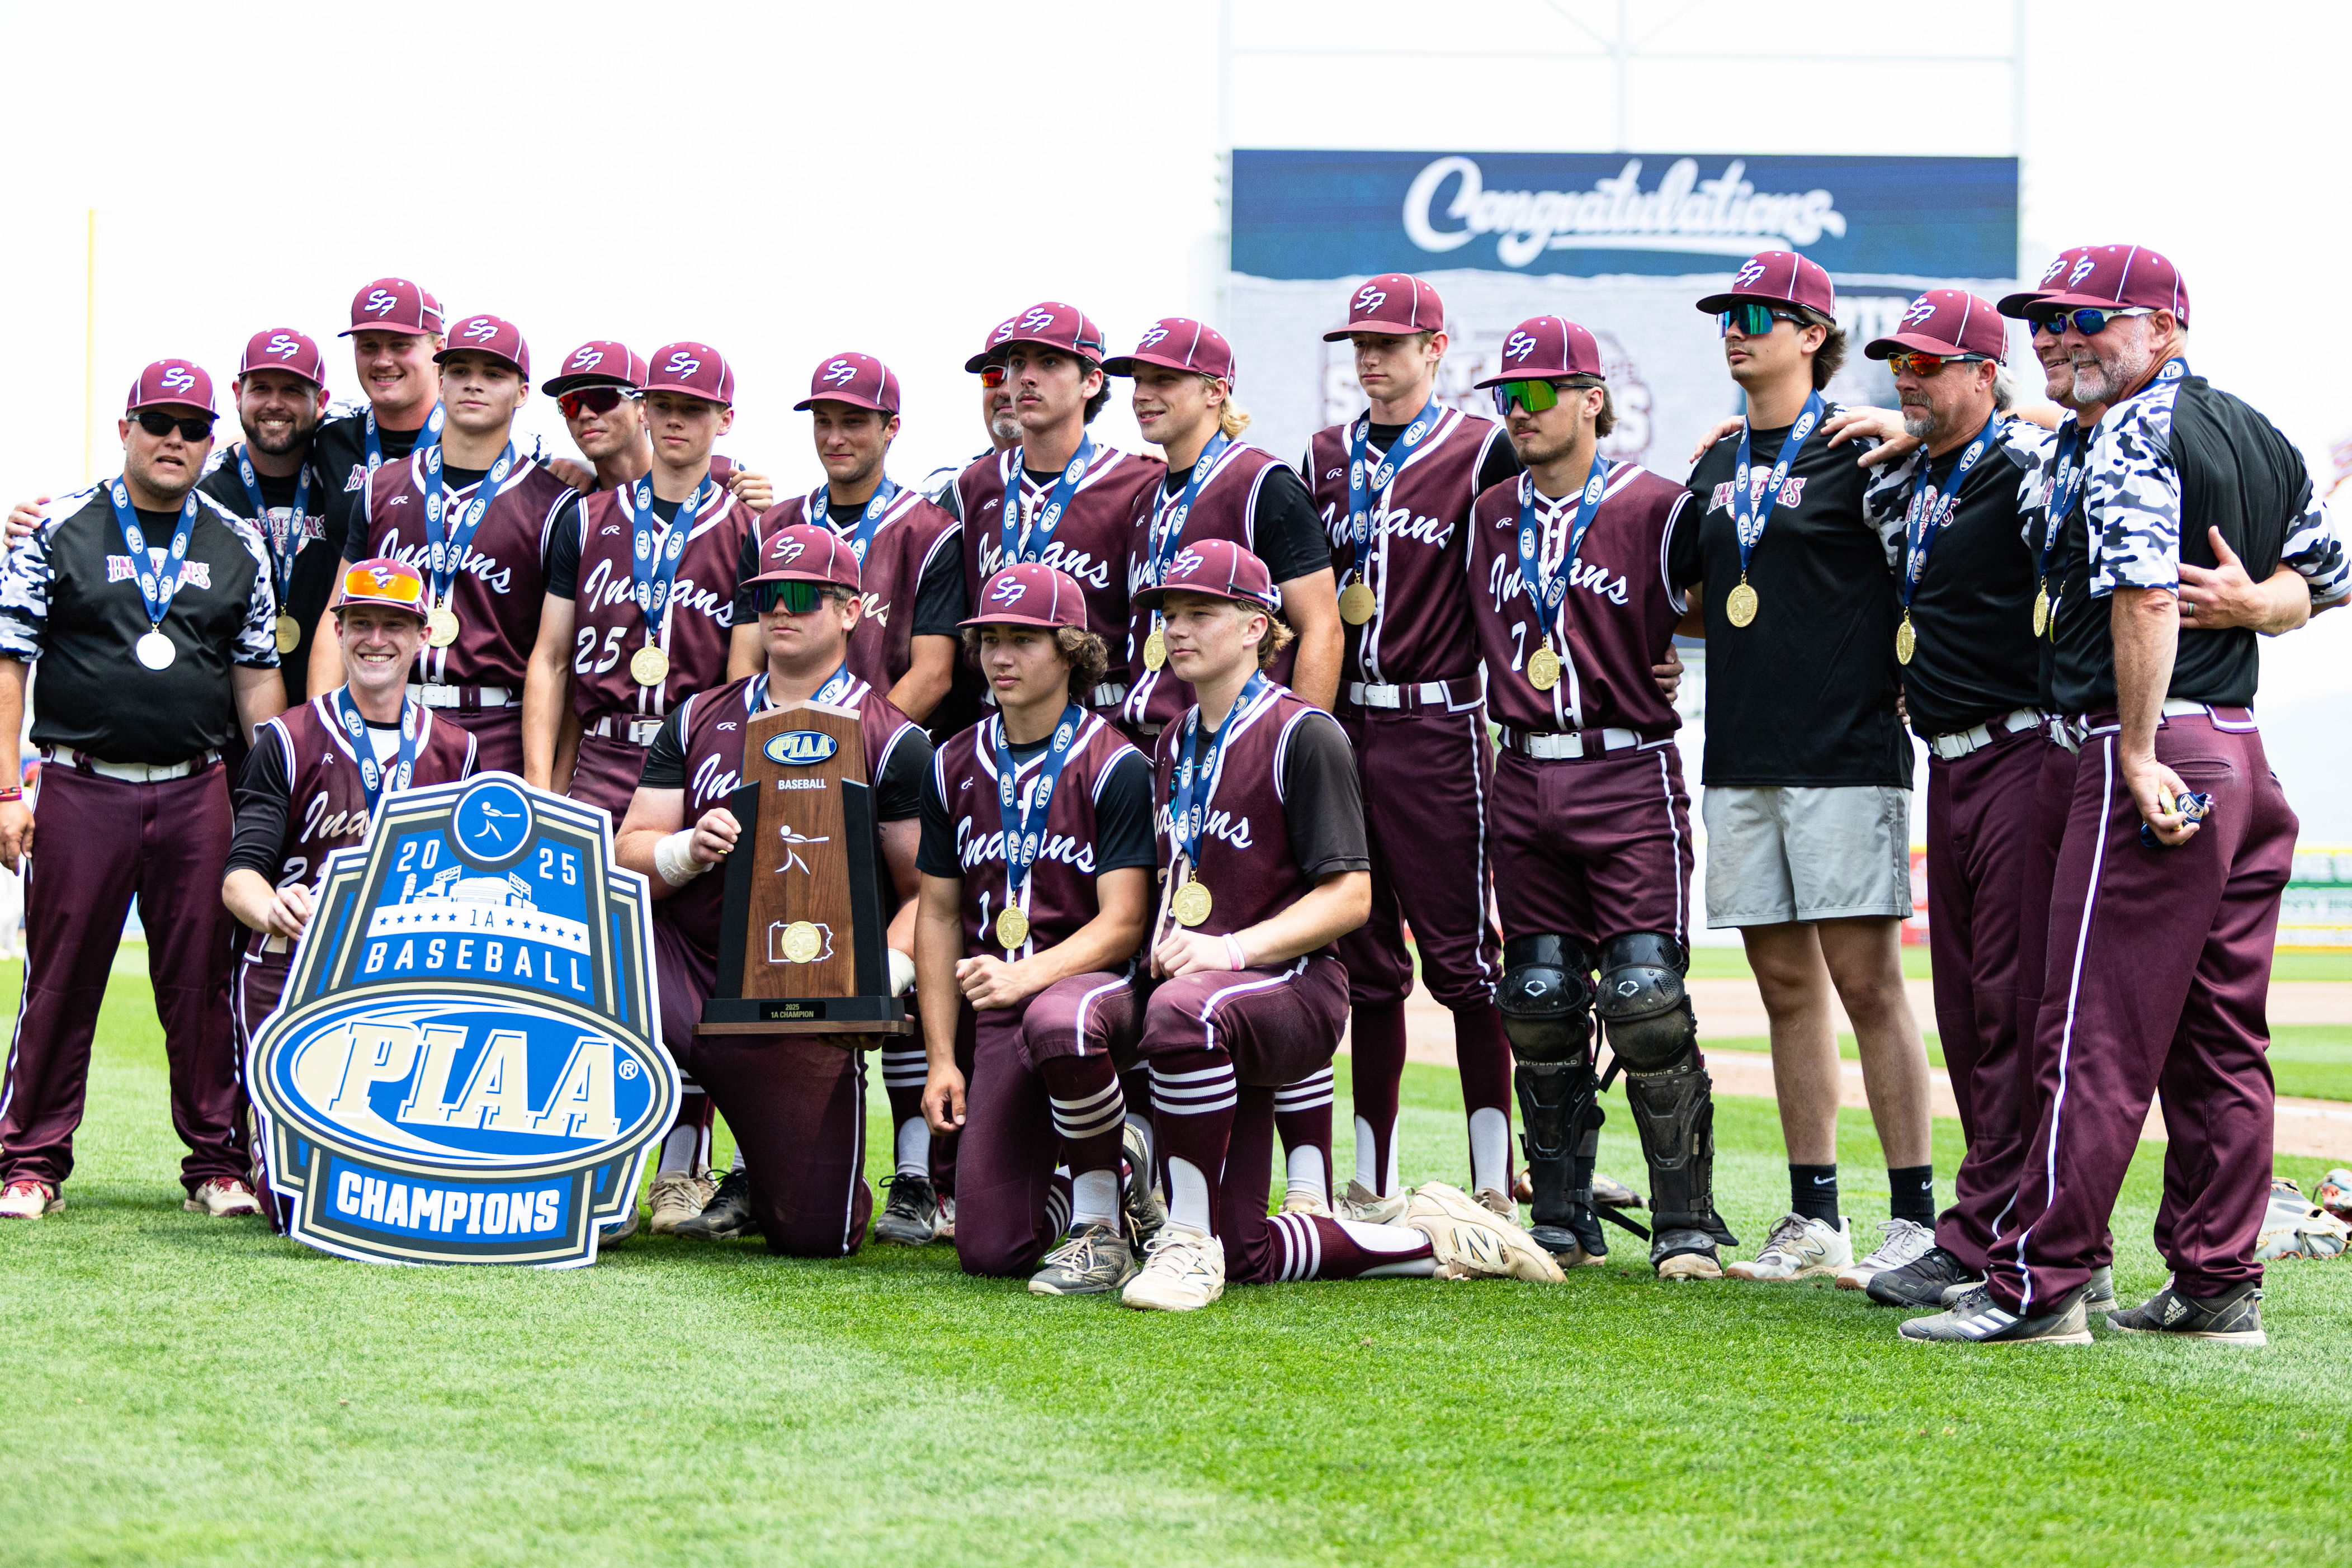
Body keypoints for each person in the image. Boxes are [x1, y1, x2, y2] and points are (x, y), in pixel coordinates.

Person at [1904, 245, 2349, 1345]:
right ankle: (2216, 1282)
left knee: (2089, 1027)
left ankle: (2041, 1284)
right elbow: (2328, 571)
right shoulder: (2253, 428)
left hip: (2145, 746)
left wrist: (2141, 750)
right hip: (2240, 752)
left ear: (2164, 328)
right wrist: (2266, 606)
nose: (2058, 337)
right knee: (2217, 1037)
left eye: (2089, 320)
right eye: (2046, 321)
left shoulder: (2135, 432)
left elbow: (2147, 598)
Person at [1120, 538, 1562, 1310]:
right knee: (1251, 1253)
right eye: (1168, 614)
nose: (1177, 629)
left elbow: (1350, 899)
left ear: (1257, 625)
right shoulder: (1170, 744)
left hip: (1294, 991)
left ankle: (1184, 1244)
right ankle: (1436, 1236)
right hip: (1216, 1002)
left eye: (1199, 612)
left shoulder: (1304, 733)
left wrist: (1227, 948)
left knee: (1180, 1012)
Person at [1670, 250, 1936, 1283]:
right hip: (1741, 750)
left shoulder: (1865, 448)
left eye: (1759, 314)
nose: (1737, 329)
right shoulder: (1715, 460)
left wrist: (1913, 429)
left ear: (1813, 334)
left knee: (1869, 982)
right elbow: (1693, 594)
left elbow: (1939, 560)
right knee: (1785, 984)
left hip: (1847, 750)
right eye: (1728, 314)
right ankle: (1813, 1211)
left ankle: (1912, 1213)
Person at [1463, 315, 1737, 1279]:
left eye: (1537, 393)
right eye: (1506, 395)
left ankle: (1685, 1223)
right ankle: (1564, 1213)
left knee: (1645, 995)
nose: (1519, 411)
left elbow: (1726, 596)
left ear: (1591, 398)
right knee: (1537, 995)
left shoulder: (1659, 506)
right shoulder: (1489, 511)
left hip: (1626, 768)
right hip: (1524, 765)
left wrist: (1670, 645)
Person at [0, 361, 286, 1221]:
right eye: (158, 422)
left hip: (199, 791)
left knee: (204, 984)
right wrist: (7, 792)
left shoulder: (237, 542)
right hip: (82, 787)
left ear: (212, 439)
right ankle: (30, 1162)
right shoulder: (58, 530)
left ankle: (217, 1164)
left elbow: (255, 681)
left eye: (193, 427)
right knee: (59, 981)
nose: (174, 440)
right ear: (125, 426)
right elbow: (10, 663)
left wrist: (267, 800)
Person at [615, 523, 929, 1254]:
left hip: (805, 995)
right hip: (686, 971)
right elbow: (627, 852)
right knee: (585, 955)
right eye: (764, 597)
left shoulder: (894, 738)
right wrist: (683, 850)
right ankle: (576, 1185)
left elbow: (924, 896)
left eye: (800, 596)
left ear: (851, 610)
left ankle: (770, 1174)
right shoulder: (697, 716)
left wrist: (882, 979)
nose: (779, 611)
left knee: (820, 1235)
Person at [1106, 317, 1348, 1214]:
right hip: (1161, 747)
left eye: (1167, 377)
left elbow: (1318, 621)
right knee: (1158, 958)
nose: (1145, 391)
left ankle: (1317, 1191)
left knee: (1265, 953)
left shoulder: (1262, 482)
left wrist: (1295, 743)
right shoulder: (1144, 493)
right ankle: (1161, 1182)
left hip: (1245, 752)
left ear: (1216, 390)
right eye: (1137, 377)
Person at [523, 342, 763, 1231]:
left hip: (688, 756)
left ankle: (683, 1167)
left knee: (690, 964)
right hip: (602, 756)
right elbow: (548, 660)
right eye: (663, 403)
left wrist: (718, 776)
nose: (675, 420)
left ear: (723, 422)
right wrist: (543, 782)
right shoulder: (584, 517)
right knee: (582, 963)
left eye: (694, 408)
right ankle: (579, 1156)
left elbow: (742, 673)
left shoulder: (746, 526)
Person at [1301, 273, 1521, 1221]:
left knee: (1465, 958)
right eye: (1362, 345)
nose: (1372, 360)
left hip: (1436, 719)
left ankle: (1493, 1175)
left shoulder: (1478, 448)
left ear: (1437, 348)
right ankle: (1372, 1179)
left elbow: (1532, 562)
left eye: (1391, 343)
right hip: (1347, 717)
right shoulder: (1322, 454)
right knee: (1366, 962)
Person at [913, 563, 1163, 1291]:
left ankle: (1100, 1224)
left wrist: (1026, 974)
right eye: (990, 638)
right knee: (988, 1250)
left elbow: (1124, 924)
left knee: (1058, 1015)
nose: (999, 656)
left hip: (1094, 1002)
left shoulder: (1114, 763)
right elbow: (934, 913)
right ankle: (1117, 1169)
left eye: (1023, 639)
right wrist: (940, 1058)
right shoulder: (951, 760)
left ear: (1070, 650)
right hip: (999, 1012)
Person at [220, 558, 476, 1224]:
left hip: (405, 984)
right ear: (336, 630)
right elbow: (240, 873)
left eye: (394, 624)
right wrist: (271, 904)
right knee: (301, 1206)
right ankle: (268, 1139)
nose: (375, 639)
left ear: (424, 636)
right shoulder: (288, 737)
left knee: (413, 1197)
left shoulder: (458, 750)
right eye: (360, 622)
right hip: (293, 973)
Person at [336, 314, 581, 776]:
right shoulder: (382, 487)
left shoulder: (556, 505)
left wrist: (540, 781)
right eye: (461, 372)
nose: (474, 385)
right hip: (385, 712)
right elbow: (339, 619)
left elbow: (557, 662)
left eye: (493, 374)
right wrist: (321, 736)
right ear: (441, 380)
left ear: (523, 393)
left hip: (495, 723)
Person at [945, 301, 1163, 712]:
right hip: (994, 720)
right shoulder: (971, 485)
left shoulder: (1140, 482)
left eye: (1048, 362)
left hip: (1100, 717)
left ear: (1092, 382)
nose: (1025, 378)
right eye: (1015, 364)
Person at [732, 353, 964, 722]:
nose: (834, 438)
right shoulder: (772, 528)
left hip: (876, 756)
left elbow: (932, 675)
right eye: (823, 422)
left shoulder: (932, 532)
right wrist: (773, 742)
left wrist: (851, 750)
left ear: (891, 427)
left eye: (853, 422)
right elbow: (745, 660)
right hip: (774, 747)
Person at [196, 330, 340, 705]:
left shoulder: (343, 481)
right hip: (225, 724)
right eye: (261, 389)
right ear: (238, 395)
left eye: (292, 391)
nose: (275, 404)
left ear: (321, 401)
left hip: (328, 710)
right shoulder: (200, 490)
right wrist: (31, 520)